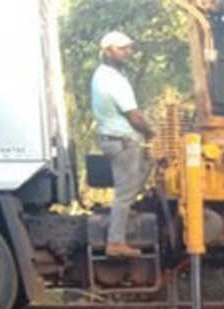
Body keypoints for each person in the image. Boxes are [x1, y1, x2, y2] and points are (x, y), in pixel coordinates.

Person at [90, 31, 155, 258]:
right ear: (107, 51)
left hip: (114, 140)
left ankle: (124, 217)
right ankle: (115, 241)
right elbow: (134, 117)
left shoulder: (102, 75)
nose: (127, 52)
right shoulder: (113, 79)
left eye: (128, 48)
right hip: (122, 142)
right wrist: (152, 133)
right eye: (121, 48)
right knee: (125, 192)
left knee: (141, 174)